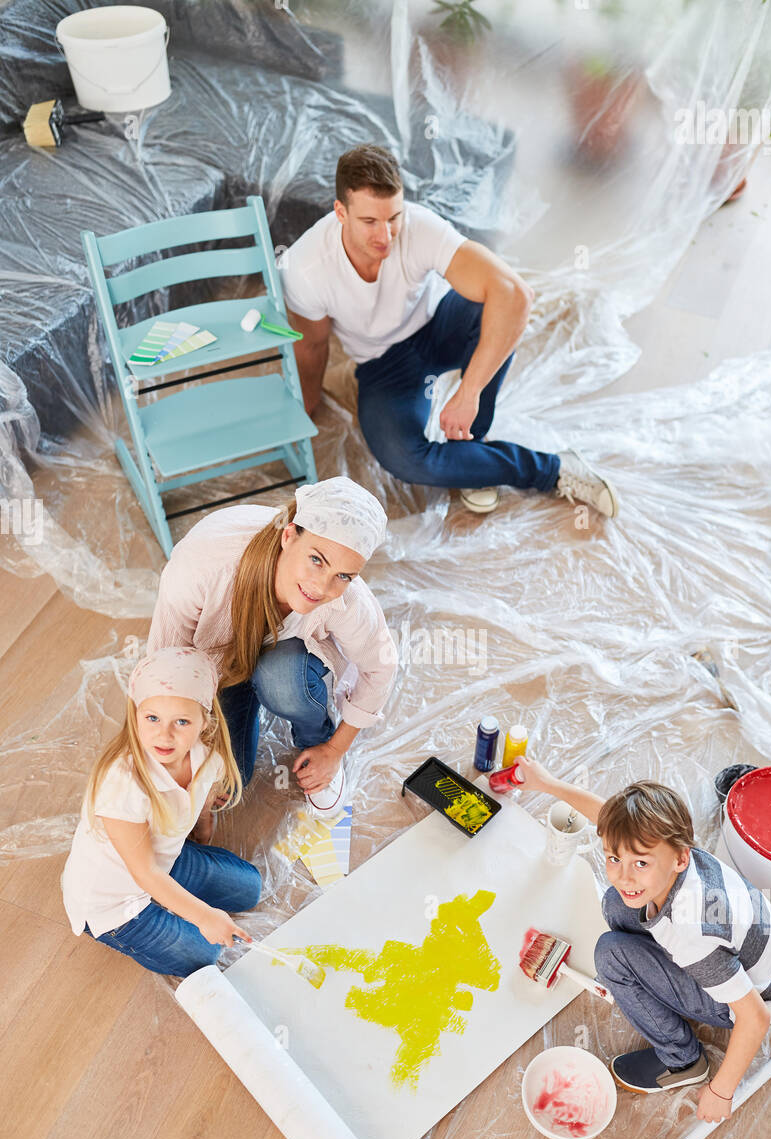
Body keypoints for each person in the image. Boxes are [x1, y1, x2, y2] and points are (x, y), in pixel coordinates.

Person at [278, 143, 618, 519]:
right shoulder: (306, 267)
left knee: (499, 310)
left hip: (440, 323)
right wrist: (304, 409)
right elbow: (311, 347)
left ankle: (474, 446)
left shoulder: (419, 226)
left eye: (393, 217)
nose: (386, 236)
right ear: (340, 212)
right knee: (403, 458)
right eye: (369, 222)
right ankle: (540, 466)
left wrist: (468, 391)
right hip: (383, 362)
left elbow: (516, 294)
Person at [516, 760, 771, 1124]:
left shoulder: (694, 936)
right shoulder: (673, 850)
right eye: (614, 858)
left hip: (747, 997)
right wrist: (547, 783)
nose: (623, 874)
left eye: (640, 864)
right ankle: (648, 973)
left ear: (679, 858)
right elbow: (610, 821)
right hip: (745, 950)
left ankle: (682, 1061)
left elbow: (755, 1018)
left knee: (610, 956)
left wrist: (721, 1092)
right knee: (616, 902)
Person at [147, 476, 396, 820]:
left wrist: (334, 750)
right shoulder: (201, 568)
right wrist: (176, 757)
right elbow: (165, 669)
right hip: (219, 665)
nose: (321, 586)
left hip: (285, 662)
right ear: (289, 535)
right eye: (317, 560)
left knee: (281, 680)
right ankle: (241, 692)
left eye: (343, 575)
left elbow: (381, 666)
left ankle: (313, 737)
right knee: (230, 785)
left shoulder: (349, 601)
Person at [61, 647, 261, 978]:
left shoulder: (206, 756)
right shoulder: (122, 783)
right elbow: (144, 873)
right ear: (136, 715)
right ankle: (162, 909)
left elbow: (204, 795)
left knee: (250, 888)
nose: (164, 736)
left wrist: (204, 821)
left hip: (162, 860)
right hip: (113, 901)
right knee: (205, 954)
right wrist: (203, 915)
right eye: (152, 718)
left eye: (181, 722)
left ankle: (175, 897)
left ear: (204, 722)